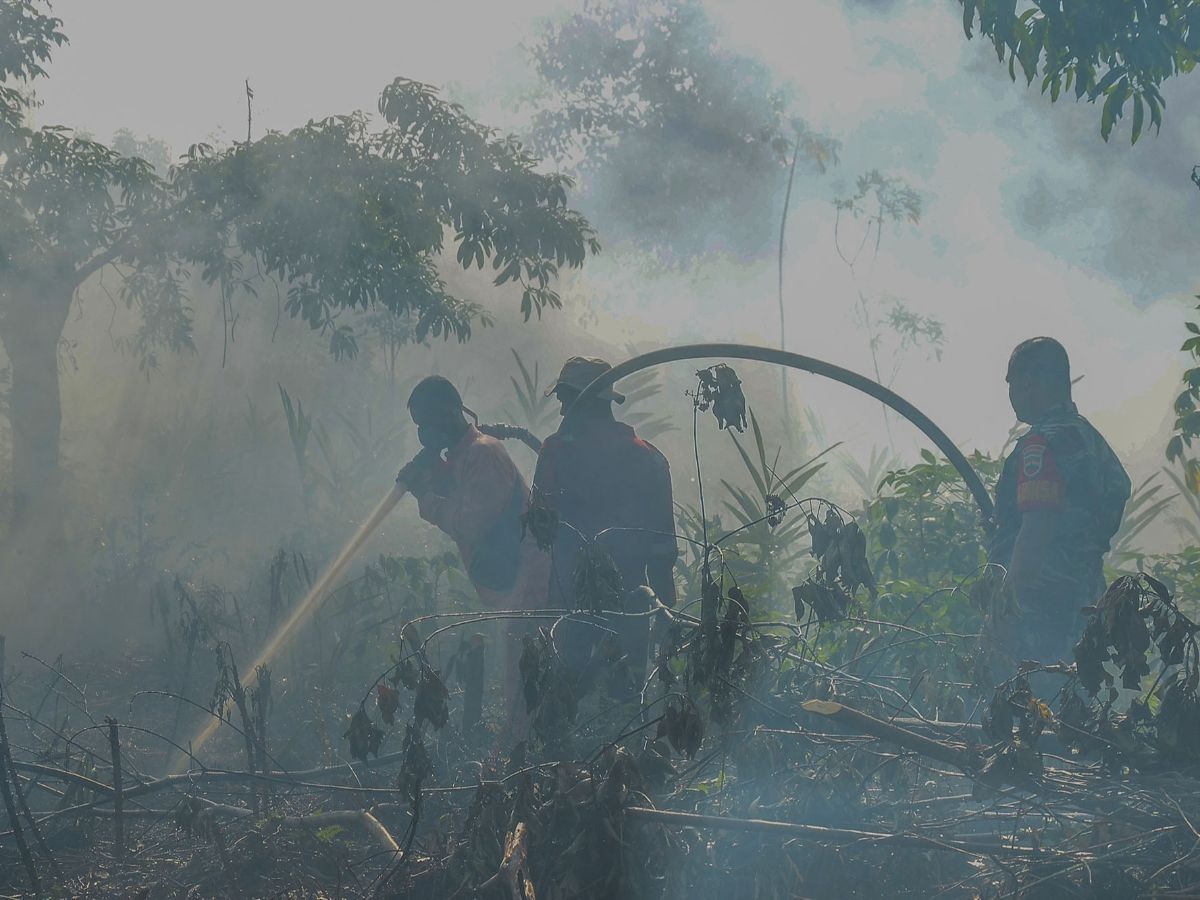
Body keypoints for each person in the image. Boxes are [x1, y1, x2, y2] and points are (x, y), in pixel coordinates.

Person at [398, 376, 548, 721]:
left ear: (452, 410)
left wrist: (424, 497)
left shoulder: (483, 453)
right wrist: (429, 474)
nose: (425, 432)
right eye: (419, 426)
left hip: (530, 582)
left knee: (524, 681)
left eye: (428, 421)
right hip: (517, 583)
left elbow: (470, 523)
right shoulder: (464, 457)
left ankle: (520, 746)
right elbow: (459, 494)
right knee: (525, 677)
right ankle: (523, 741)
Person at [532, 356, 678, 692]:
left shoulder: (555, 452)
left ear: (580, 402)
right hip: (632, 604)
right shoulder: (648, 457)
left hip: (570, 602)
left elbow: (539, 528)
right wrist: (664, 609)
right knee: (625, 700)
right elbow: (663, 547)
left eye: (565, 400)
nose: (562, 411)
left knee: (566, 697)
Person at [988, 338, 1131, 664]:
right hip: (1087, 606)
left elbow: (1036, 532)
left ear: (1027, 382)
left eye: (1011, 383)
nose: (1010, 394)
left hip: (1038, 615)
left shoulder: (1041, 443)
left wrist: (1004, 612)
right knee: (1074, 693)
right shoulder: (1091, 441)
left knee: (1031, 693)